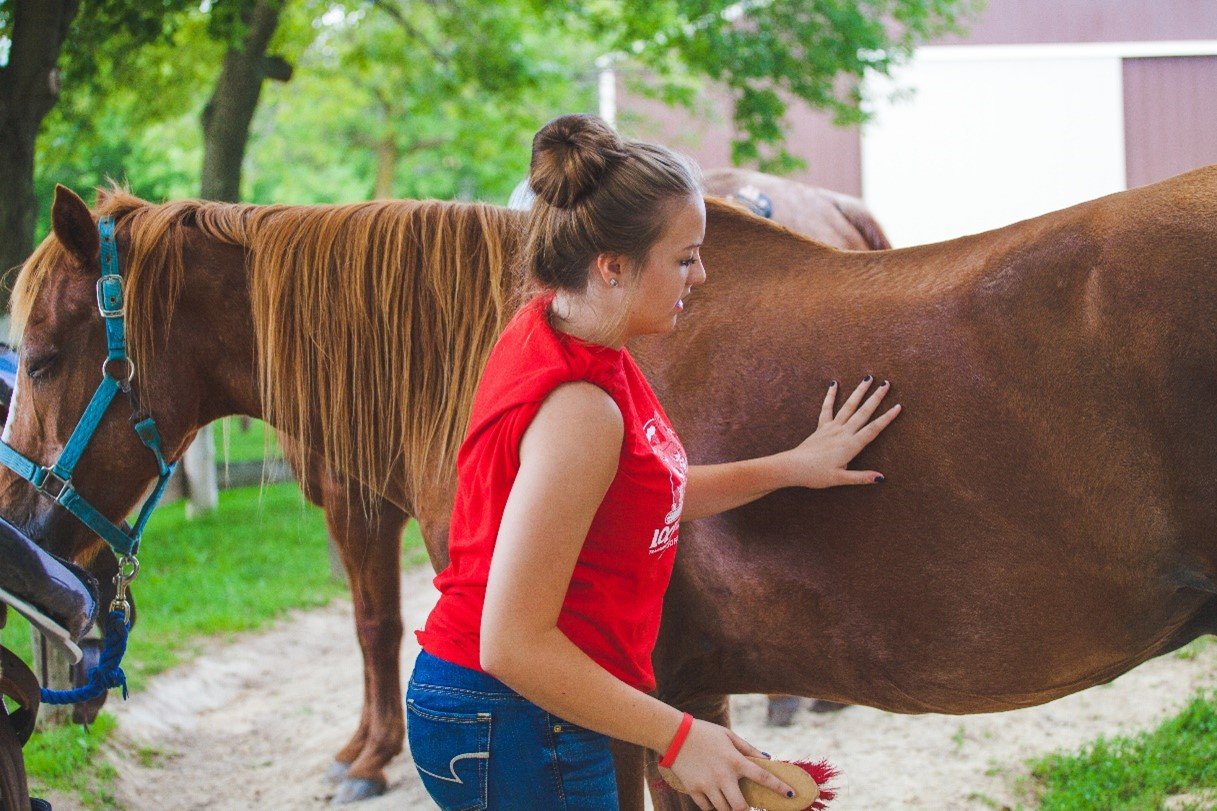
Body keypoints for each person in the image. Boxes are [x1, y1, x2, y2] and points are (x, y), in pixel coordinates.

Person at [407, 113, 901, 811]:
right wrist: (677, 736)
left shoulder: (583, 339)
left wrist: (792, 465)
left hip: (537, 701)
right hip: (510, 711)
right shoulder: (578, 404)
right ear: (611, 265)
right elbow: (510, 642)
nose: (699, 274)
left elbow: (646, 493)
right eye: (683, 256)